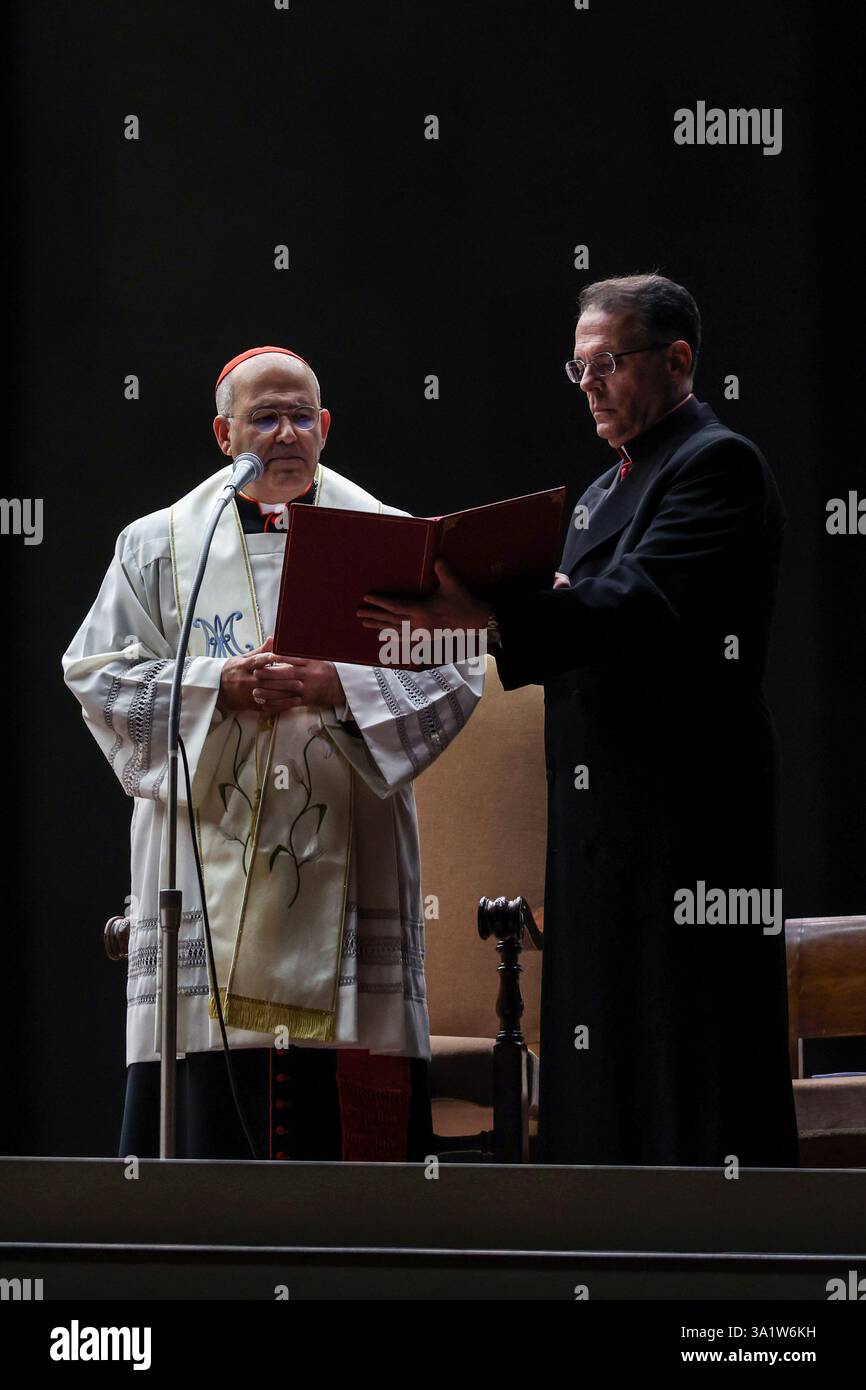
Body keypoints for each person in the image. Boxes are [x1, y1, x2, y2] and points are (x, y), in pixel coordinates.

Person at [358, 275, 800, 1167]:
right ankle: (604, 1238)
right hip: (601, 818)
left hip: (688, 814)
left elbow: (636, 606)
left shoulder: (718, 465)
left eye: (608, 363)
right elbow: (577, 612)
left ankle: (708, 1251)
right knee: (605, 1034)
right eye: (579, 366)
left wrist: (490, 615)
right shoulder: (599, 495)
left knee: (688, 1040)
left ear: (677, 360)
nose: (589, 383)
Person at [62, 344, 484, 1162]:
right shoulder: (157, 545)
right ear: (225, 434)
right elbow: (97, 676)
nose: (286, 432)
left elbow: (458, 661)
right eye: (265, 417)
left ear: (324, 428)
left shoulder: (389, 537)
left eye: (301, 416)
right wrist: (219, 686)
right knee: (209, 1118)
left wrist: (341, 686)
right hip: (205, 862)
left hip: (349, 846)